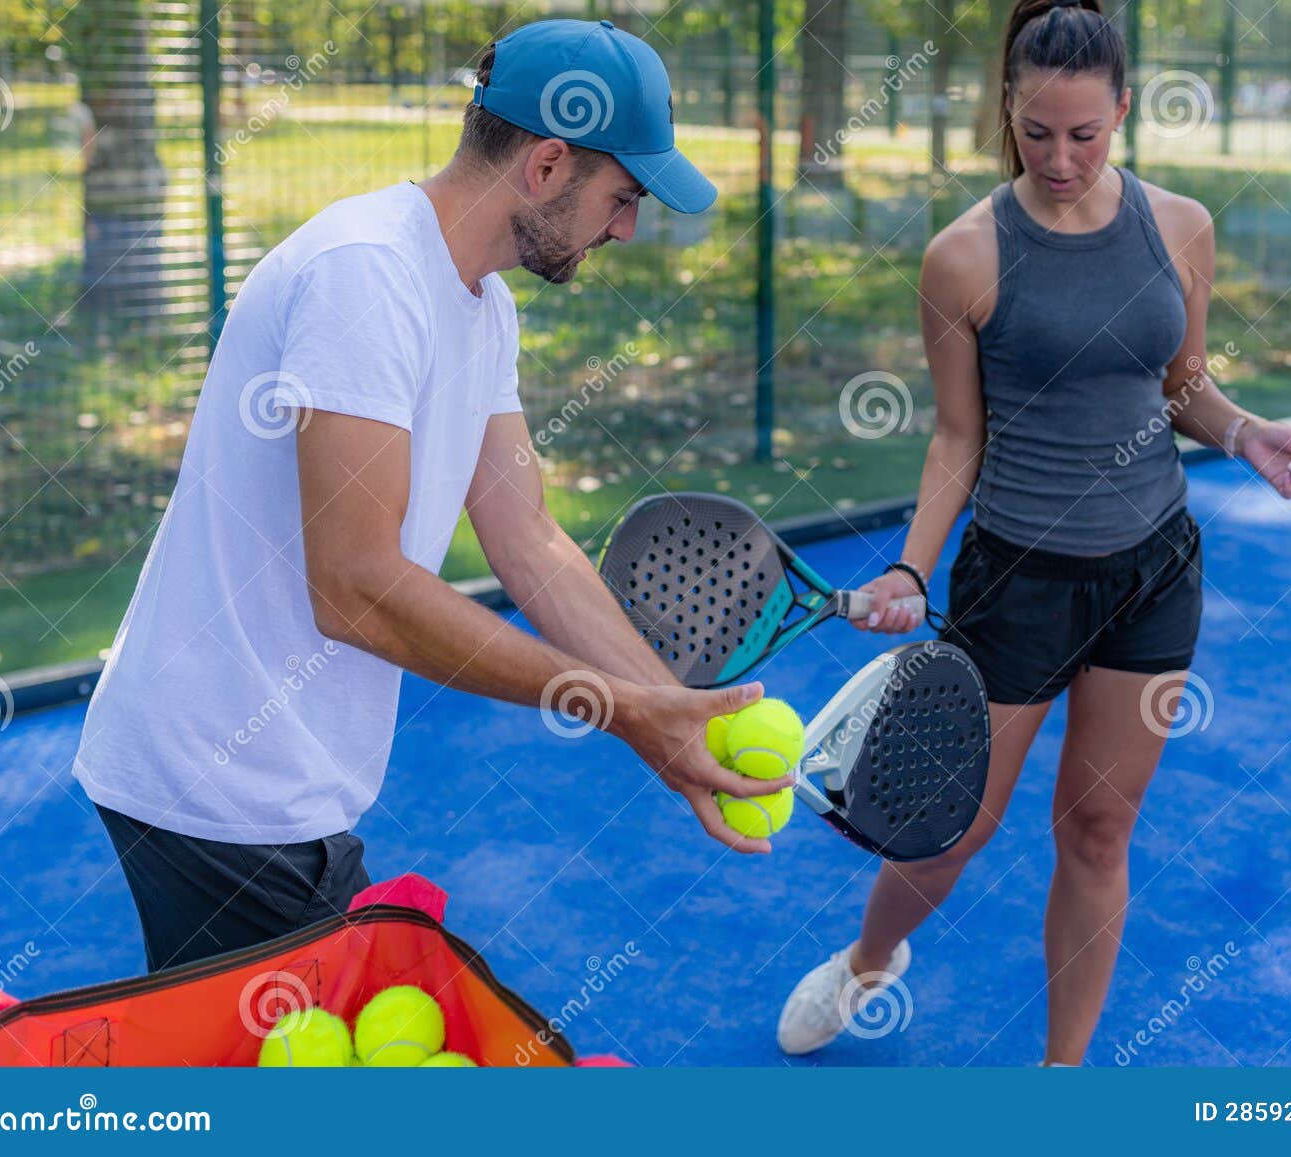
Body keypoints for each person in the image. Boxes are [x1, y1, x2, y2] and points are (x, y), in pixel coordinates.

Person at [73, 19, 787, 974]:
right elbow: (357, 584)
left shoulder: (481, 306)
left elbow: (528, 537)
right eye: (622, 197)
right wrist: (613, 706)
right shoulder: (365, 277)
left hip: (284, 780)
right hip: (216, 781)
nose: (627, 226)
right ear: (546, 166)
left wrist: (666, 712)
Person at [776, 0, 1291, 1063]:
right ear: (1008, 114)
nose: (1062, 156)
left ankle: (1062, 1079)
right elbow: (954, 436)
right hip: (1016, 580)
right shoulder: (963, 258)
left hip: (1154, 570)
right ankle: (866, 961)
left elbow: (1181, 385)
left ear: (1123, 111)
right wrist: (909, 563)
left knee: (1094, 829)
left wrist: (1245, 428)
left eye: (1085, 133)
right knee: (954, 826)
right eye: (1038, 133)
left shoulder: (1181, 228)